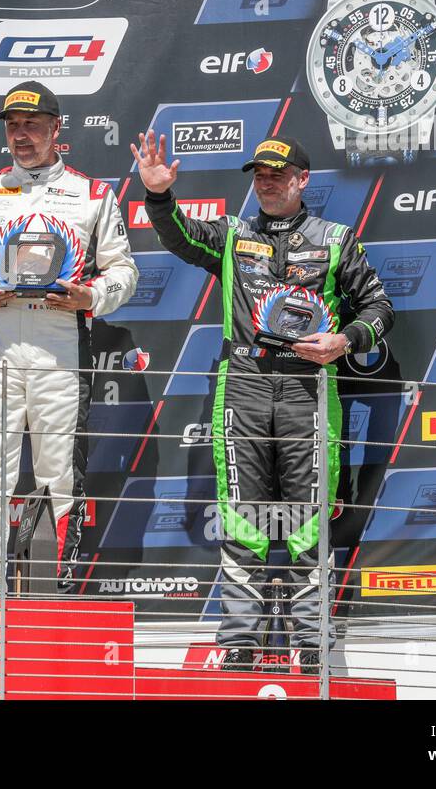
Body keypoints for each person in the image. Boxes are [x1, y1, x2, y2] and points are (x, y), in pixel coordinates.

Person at [132, 131, 394, 673]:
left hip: (310, 387)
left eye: (278, 175)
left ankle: (311, 638)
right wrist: (158, 196)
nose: (267, 183)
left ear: (302, 181)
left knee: (310, 517)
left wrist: (344, 341)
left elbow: (379, 306)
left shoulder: (336, 238)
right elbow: (181, 238)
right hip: (244, 382)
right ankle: (241, 640)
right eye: (259, 175)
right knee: (242, 515)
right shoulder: (232, 234)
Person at [0, 81, 138, 591]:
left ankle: (53, 593)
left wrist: (90, 299)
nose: (22, 135)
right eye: (13, 125)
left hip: (60, 340)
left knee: (58, 474)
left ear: (56, 128)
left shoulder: (93, 195)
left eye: (32, 124)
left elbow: (124, 271)